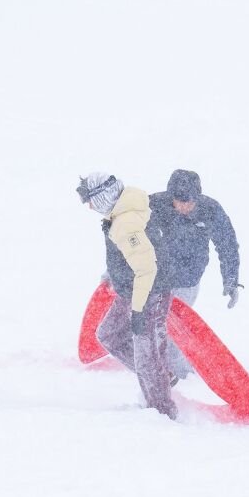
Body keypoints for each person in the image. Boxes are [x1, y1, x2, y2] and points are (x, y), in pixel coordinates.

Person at [78, 172, 177, 419]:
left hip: (148, 293)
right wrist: (113, 275)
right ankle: (162, 376)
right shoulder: (122, 211)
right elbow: (130, 257)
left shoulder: (126, 223)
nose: (89, 207)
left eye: (90, 200)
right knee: (108, 334)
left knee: (146, 357)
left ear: (103, 197)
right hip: (132, 291)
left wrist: (139, 310)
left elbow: (146, 268)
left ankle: (163, 413)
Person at [147, 169, 243, 378]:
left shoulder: (210, 209)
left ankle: (180, 373)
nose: (183, 206)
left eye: (188, 202)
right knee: (149, 323)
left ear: (197, 198)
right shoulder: (153, 205)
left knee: (173, 327)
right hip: (155, 277)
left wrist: (231, 280)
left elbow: (227, 244)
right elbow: (127, 237)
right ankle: (148, 361)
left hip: (187, 280)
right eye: (178, 201)